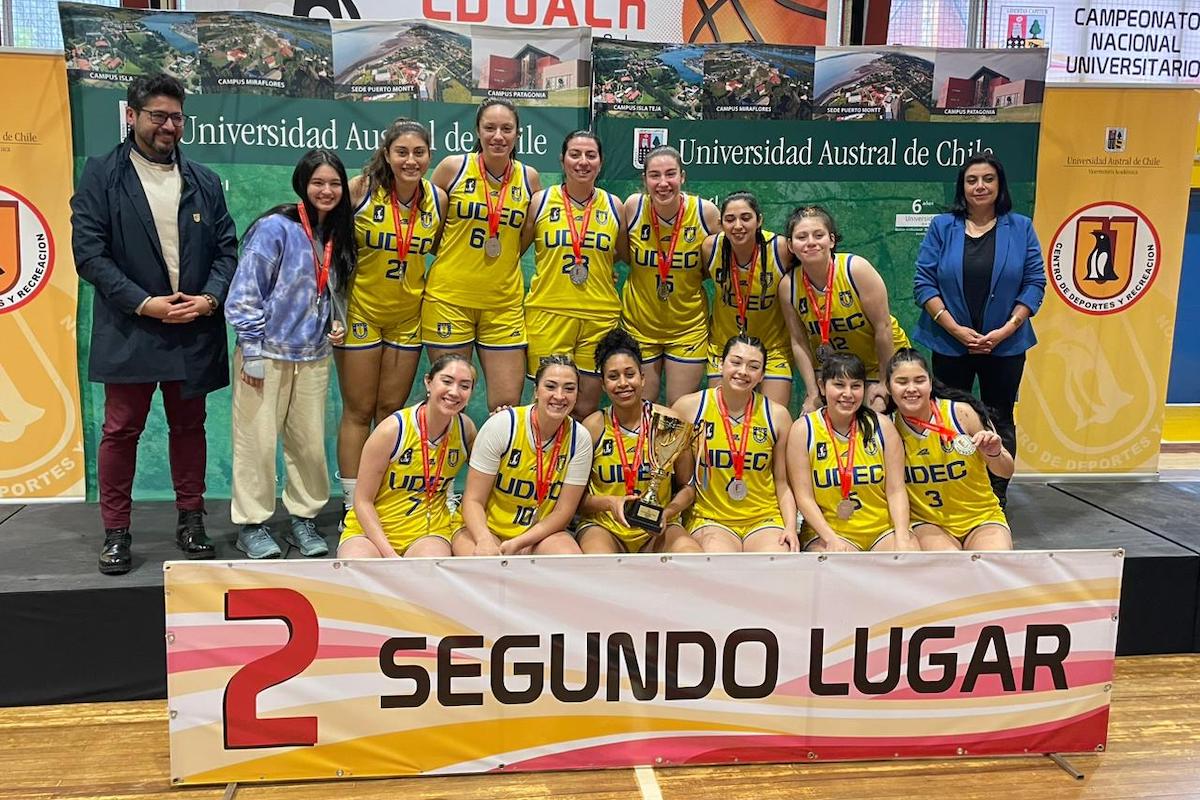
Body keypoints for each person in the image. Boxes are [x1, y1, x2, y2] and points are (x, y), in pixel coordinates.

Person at [70, 74, 237, 575]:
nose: (168, 126)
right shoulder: (101, 174)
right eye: (157, 116)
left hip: (193, 326)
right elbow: (89, 254)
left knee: (190, 427)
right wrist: (145, 304)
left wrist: (208, 299)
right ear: (132, 116)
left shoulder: (204, 180)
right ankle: (116, 532)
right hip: (132, 327)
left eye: (176, 117)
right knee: (121, 431)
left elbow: (227, 250)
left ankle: (192, 521)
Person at [224, 149, 352, 559]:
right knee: (257, 443)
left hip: (313, 357)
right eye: (318, 182)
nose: (327, 190)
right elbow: (245, 291)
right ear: (302, 184)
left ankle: (303, 518)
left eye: (334, 183)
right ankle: (252, 524)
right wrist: (252, 349)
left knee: (309, 445)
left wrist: (335, 321)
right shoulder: (275, 228)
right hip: (265, 355)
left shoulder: (336, 233)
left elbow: (329, 289)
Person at [913, 153, 1046, 506]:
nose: (980, 186)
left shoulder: (1021, 227)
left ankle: (995, 496)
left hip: (1005, 345)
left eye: (988, 179)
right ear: (963, 187)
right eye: (972, 180)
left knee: (999, 415)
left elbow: (1034, 283)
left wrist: (1008, 329)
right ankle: (954, 491)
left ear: (1000, 185)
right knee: (951, 416)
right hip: (949, 342)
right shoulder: (942, 226)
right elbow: (924, 282)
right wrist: (954, 328)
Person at [336, 119, 448, 523]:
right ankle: (352, 504)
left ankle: (380, 497)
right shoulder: (360, 189)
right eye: (401, 152)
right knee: (358, 410)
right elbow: (329, 244)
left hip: (407, 318)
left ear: (429, 156)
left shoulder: (436, 199)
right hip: (362, 312)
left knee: (390, 410)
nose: (410, 160)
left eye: (419, 152)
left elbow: (440, 250)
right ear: (387, 154)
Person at [424, 99, 541, 412]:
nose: (498, 136)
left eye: (506, 128)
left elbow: (522, 240)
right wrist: (457, 254)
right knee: (447, 405)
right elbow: (429, 230)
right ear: (477, 131)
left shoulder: (529, 178)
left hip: (503, 306)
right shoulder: (453, 168)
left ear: (517, 133)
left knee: (506, 409)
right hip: (449, 300)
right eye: (490, 128)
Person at [522, 131, 625, 420]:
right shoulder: (541, 201)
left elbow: (623, 253)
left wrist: (599, 268)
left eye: (591, 155)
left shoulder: (614, 205)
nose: (583, 162)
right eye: (575, 154)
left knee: (584, 409)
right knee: (547, 408)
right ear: (562, 160)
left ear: (601, 163)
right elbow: (514, 249)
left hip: (599, 318)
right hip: (549, 314)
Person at [337, 355, 479, 558]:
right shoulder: (392, 430)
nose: (454, 392)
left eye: (464, 386)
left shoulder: (466, 430)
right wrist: (390, 555)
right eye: (447, 381)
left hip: (428, 533)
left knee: (430, 563)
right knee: (357, 563)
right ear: (428, 382)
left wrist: (503, 425)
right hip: (372, 531)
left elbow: (494, 472)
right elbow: (362, 501)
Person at [577, 329, 701, 554]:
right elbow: (577, 499)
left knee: (691, 555)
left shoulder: (669, 422)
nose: (623, 383)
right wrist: (610, 503)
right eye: (613, 377)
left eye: (630, 374)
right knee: (599, 562)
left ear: (642, 378)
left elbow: (688, 487)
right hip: (605, 527)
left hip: (659, 528)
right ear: (603, 385)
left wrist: (667, 513)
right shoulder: (593, 427)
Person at [778, 205, 910, 413]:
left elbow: (883, 327)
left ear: (831, 240)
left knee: (875, 413)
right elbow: (798, 341)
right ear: (791, 245)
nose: (810, 242)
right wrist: (812, 392)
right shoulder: (789, 285)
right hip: (836, 370)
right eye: (802, 237)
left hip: (880, 365)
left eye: (818, 235)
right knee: (810, 418)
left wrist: (885, 382)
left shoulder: (855, 269)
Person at [455, 355, 591, 556]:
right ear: (536, 390)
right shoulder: (503, 425)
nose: (559, 396)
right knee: (484, 563)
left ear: (577, 395)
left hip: (538, 534)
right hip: (483, 528)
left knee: (568, 558)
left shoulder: (580, 438)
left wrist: (520, 542)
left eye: (569, 389)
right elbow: (473, 500)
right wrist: (484, 540)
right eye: (550, 386)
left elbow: (563, 512)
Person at [673, 334, 797, 553]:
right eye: (736, 362)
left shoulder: (777, 416)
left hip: (764, 518)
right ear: (721, 364)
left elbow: (782, 482)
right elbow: (679, 479)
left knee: (776, 559)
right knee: (719, 561)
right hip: (709, 519)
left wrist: (790, 527)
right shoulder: (689, 408)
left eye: (753, 367)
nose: (743, 371)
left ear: (762, 375)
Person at [785, 352, 916, 552]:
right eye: (839, 385)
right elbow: (804, 497)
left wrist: (902, 536)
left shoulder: (882, 426)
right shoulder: (803, 430)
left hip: (882, 531)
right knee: (833, 563)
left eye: (855, 386)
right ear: (822, 386)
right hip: (828, 533)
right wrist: (830, 539)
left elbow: (896, 490)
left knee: (910, 557)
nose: (848, 394)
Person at [885, 348, 1013, 550]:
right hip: (928, 523)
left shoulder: (962, 413)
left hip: (982, 517)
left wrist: (994, 453)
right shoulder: (888, 427)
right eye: (902, 382)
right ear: (888, 387)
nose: (911, 389)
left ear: (930, 383)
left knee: (992, 560)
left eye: (919, 380)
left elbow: (1005, 471)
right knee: (948, 562)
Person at [621, 146, 720, 403]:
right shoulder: (633, 207)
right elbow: (621, 254)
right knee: (640, 408)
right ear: (644, 179)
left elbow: (719, 263)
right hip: (639, 326)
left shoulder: (705, 213)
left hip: (687, 329)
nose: (663, 183)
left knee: (679, 411)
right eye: (654, 175)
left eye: (670, 174)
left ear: (682, 177)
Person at [700, 192, 794, 406]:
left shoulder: (780, 249)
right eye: (730, 219)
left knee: (772, 417)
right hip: (723, 347)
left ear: (759, 220)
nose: (738, 226)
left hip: (773, 348)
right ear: (720, 223)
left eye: (746, 218)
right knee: (722, 416)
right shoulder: (710, 248)